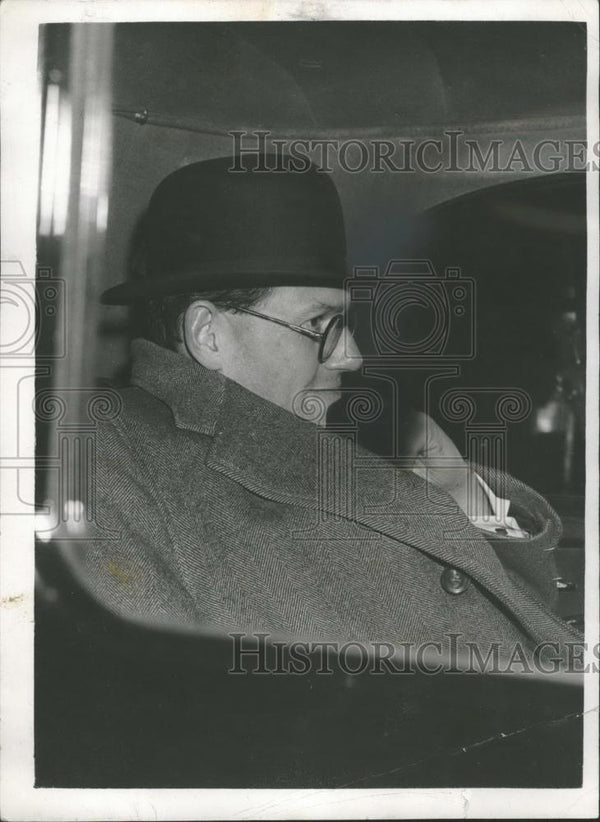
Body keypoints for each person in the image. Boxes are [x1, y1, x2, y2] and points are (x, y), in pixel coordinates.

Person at [66, 155, 580, 660]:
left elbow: (519, 618)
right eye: (319, 325)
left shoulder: (329, 427)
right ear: (209, 335)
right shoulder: (103, 458)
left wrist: (459, 492)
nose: (351, 354)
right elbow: (164, 696)